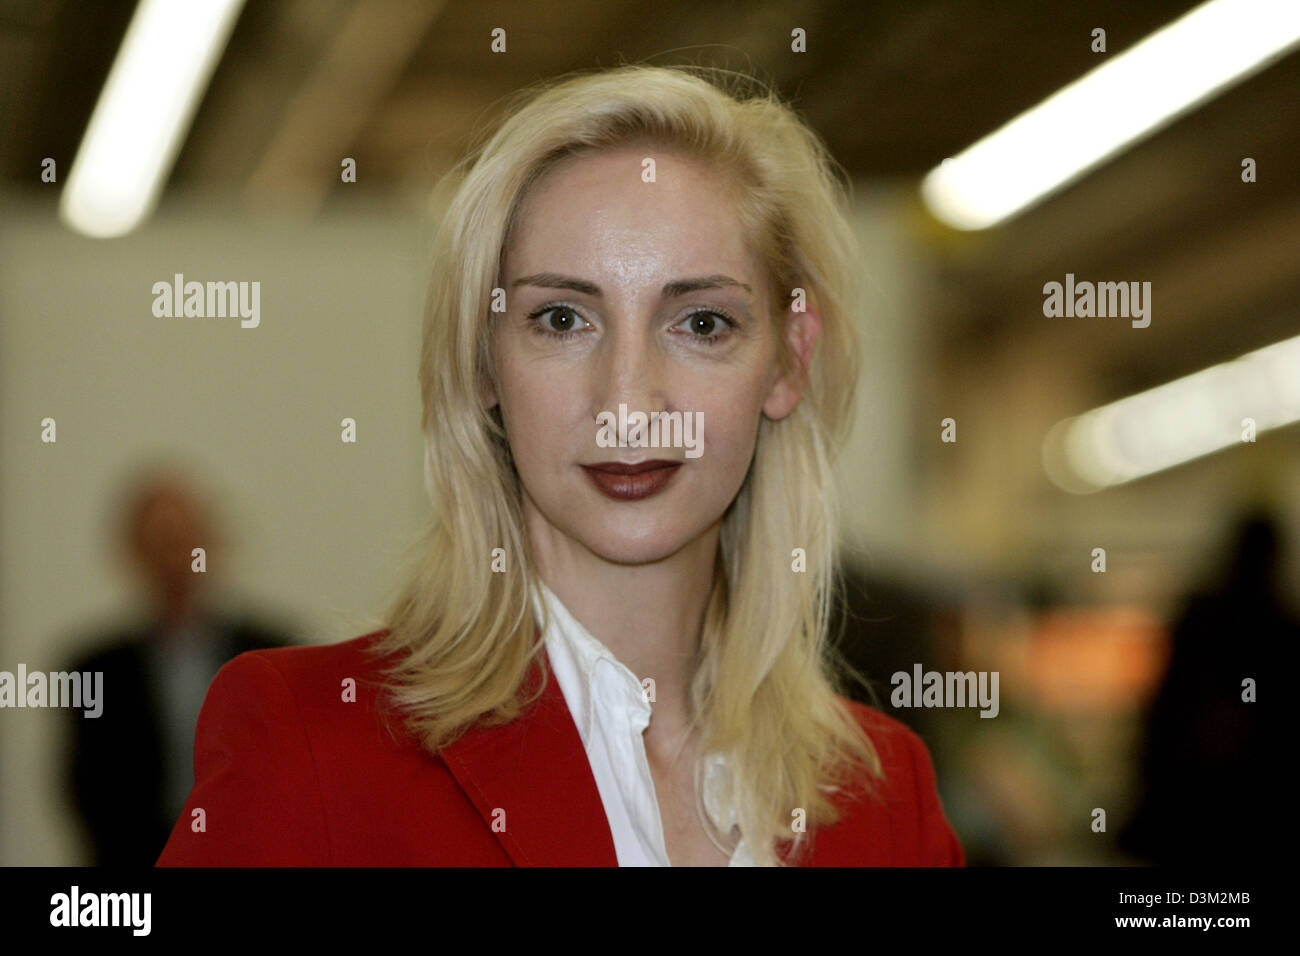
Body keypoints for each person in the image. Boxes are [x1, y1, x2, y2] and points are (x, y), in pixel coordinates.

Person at [157, 64, 964, 866]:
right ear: (482, 366)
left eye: (702, 322)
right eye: (562, 318)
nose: (627, 398)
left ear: (788, 363)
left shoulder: (887, 796)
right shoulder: (310, 741)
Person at [65, 468, 291, 865]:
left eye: (185, 541)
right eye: (161, 542)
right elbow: (91, 793)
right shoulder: (92, 669)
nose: (175, 557)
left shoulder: (276, 653)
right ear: (134, 552)